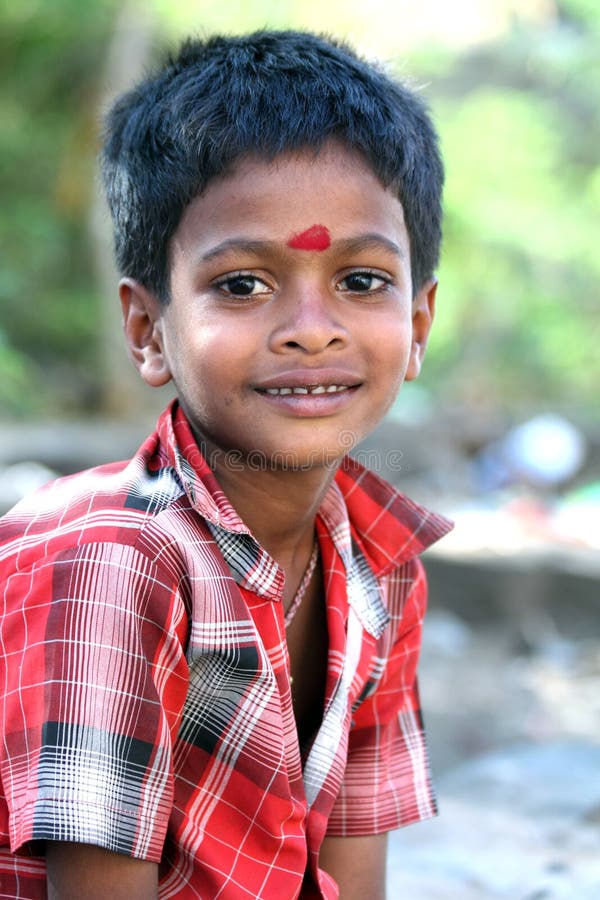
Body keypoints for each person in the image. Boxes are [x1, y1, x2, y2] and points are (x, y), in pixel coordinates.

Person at [0, 30, 452, 899]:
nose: (311, 328)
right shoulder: (116, 562)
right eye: (243, 284)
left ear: (419, 325)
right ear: (148, 330)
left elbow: (354, 880)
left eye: (361, 281)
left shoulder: (381, 565)